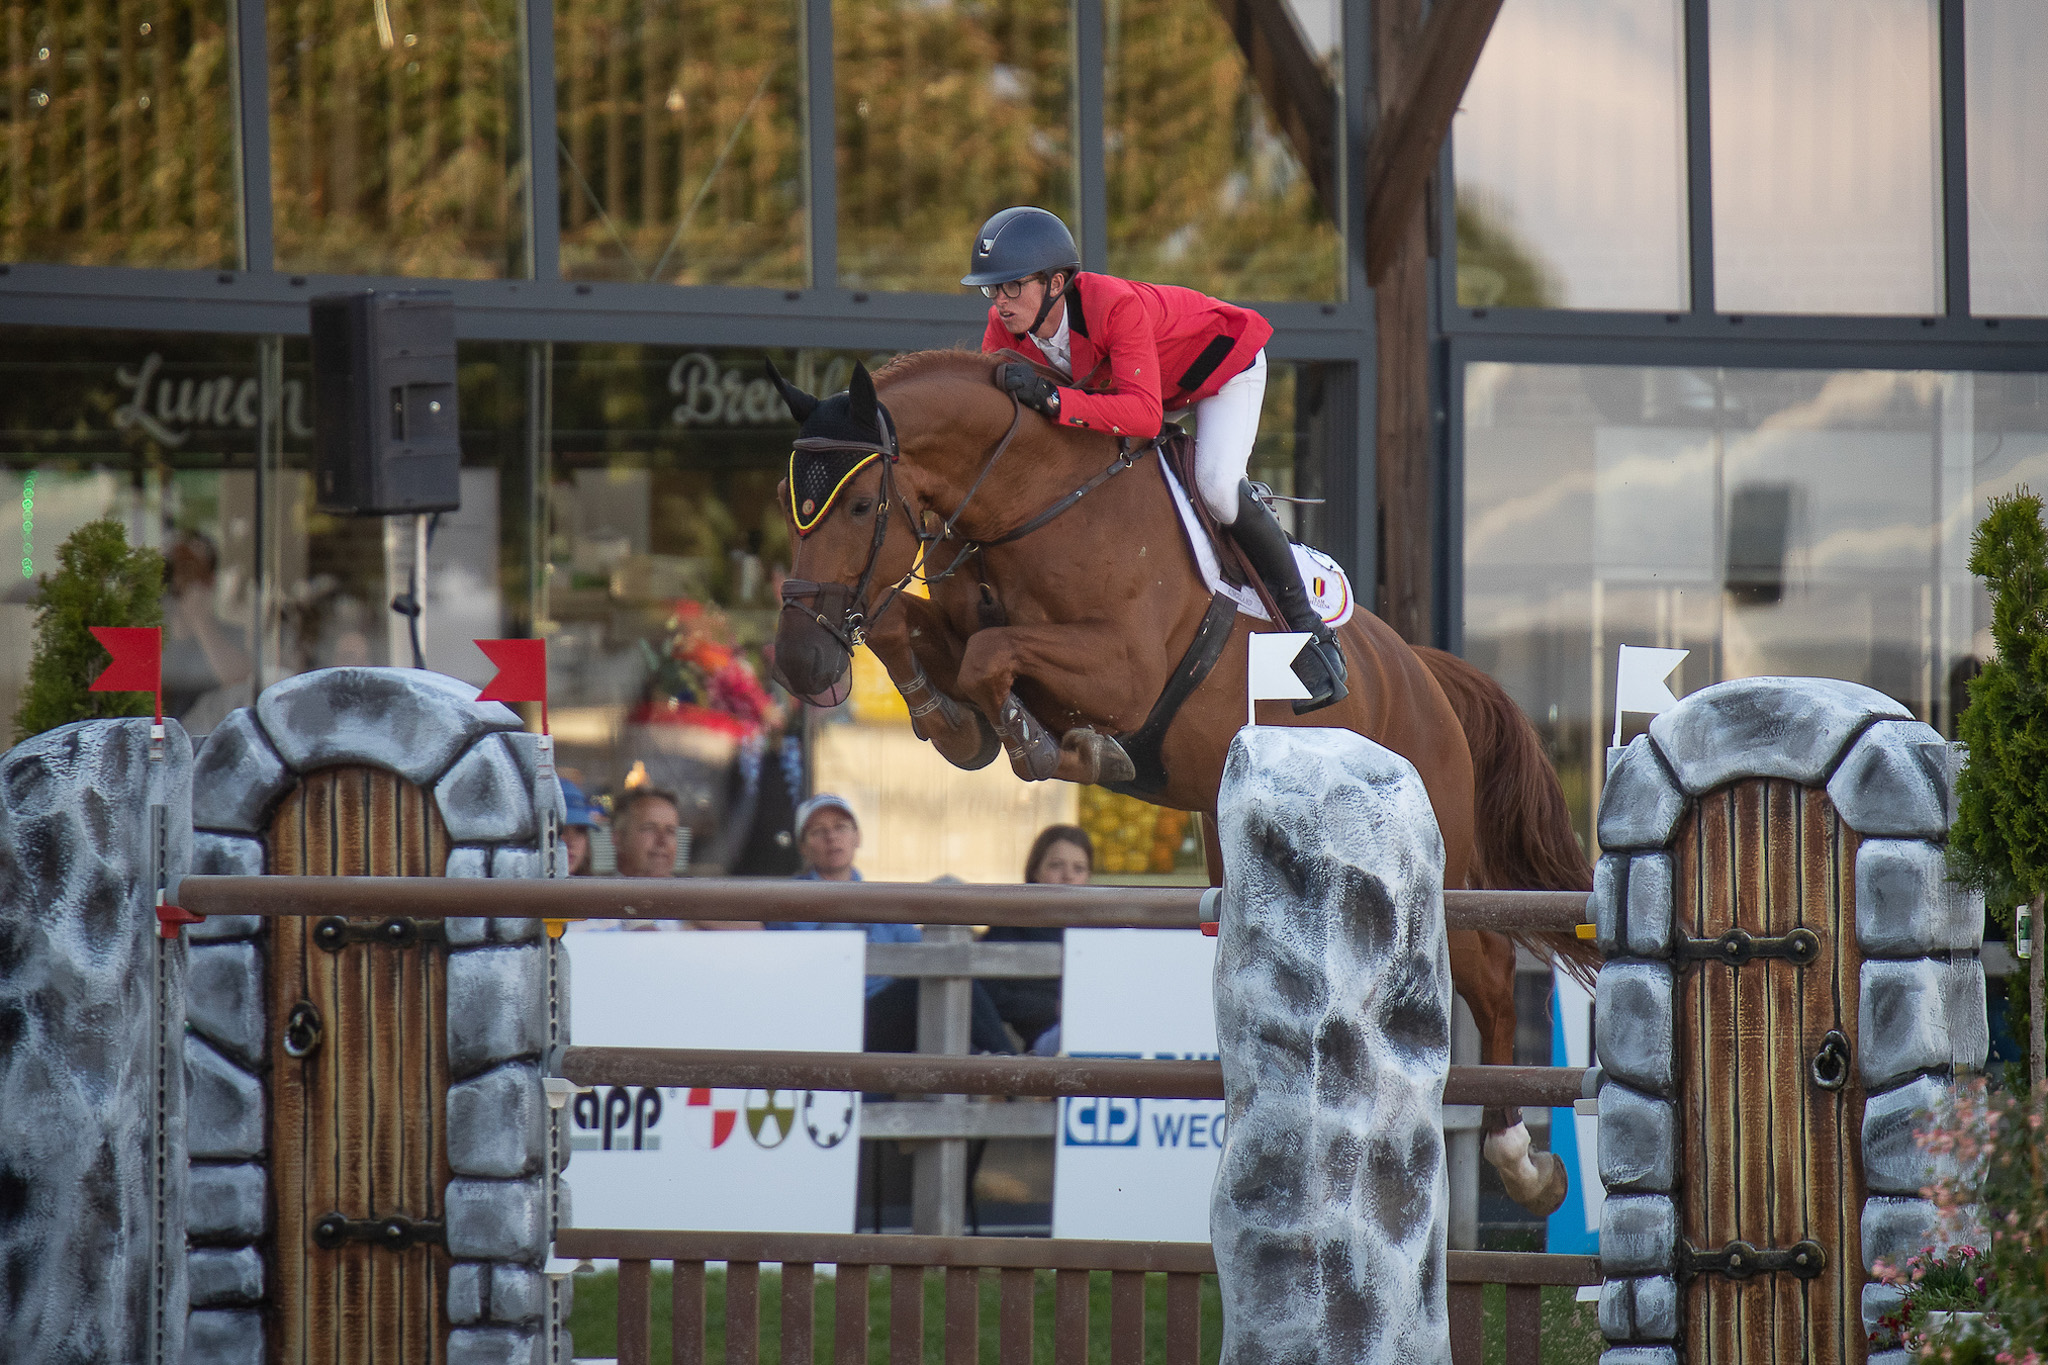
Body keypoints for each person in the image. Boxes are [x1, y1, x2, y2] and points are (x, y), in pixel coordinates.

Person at [964, 206, 1346, 711]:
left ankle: (1312, 631)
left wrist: (1054, 400)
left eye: (1012, 286)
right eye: (993, 289)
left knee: (1216, 486)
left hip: (1222, 370)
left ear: (1056, 283)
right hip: (1153, 389)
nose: (1000, 301)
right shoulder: (1005, 328)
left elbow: (1143, 417)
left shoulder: (1112, 305)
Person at [768, 794, 1012, 1054]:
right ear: (803, 848)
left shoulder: (880, 899)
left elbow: (924, 951)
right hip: (830, 1020)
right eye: (818, 831)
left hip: (888, 1018)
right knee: (930, 983)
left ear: (857, 837)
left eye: (841, 827)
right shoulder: (788, 900)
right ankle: (1014, 1066)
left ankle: (1007, 1066)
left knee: (949, 975)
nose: (832, 837)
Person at [982, 824, 1092, 1056]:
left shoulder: (1099, 927)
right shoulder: (1011, 923)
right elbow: (987, 993)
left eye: (1079, 868)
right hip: (1044, 1039)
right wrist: (1054, 1007)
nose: (1068, 876)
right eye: (1056, 865)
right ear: (1035, 871)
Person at [610, 786, 757, 929]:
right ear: (618, 839)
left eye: (670, 831)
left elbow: (755, 928)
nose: (662, 841)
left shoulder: (694, 895)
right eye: (649, 829)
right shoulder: (600, 901)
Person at [558, 777, 603, 876]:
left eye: (580, 830)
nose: (571, 842)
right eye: (560, 830)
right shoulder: (523, 885)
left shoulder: (596, 886)